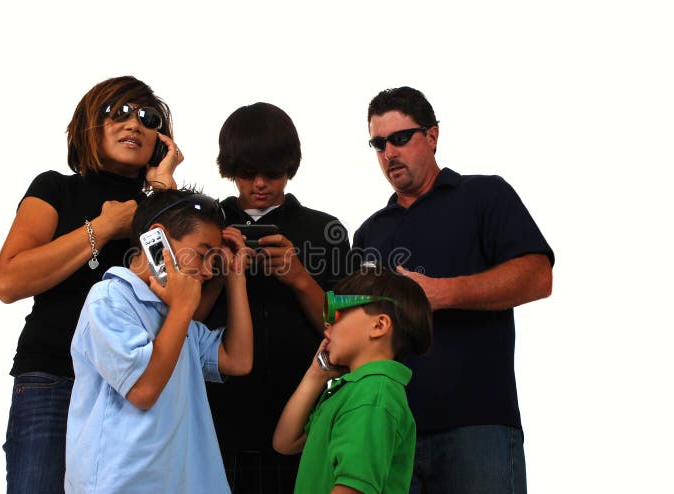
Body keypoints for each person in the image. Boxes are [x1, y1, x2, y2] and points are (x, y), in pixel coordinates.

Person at [353, 86, 555, 493]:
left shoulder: (484, 195)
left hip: (477, 426)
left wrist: (441, 293)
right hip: (390, 431)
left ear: (432, 136)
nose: (389, 152)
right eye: (378, 143)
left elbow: (537, 276)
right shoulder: (369, 232)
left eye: (400, 138)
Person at [0, 76, 183, 493]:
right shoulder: (55, 188)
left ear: (163, 140)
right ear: (88, 126)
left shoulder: (167, 204)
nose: (133, 124)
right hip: (53, 377)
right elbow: (9, 280)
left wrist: (164, 194)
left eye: (148, 119)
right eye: (117, 113)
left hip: (135, 383)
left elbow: (182, 291)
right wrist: (102, 227)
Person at [203, 102, 351, 493]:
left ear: (291, 166)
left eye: (273, 172)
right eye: (247, 173)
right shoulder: (203, 225)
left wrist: (301, 278)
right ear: (229, 167)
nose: (260, 184)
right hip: (215, 425)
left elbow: (349, 336)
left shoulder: (324, 230)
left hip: (303, 427)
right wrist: (218, 276)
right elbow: (176, 326)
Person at [65, 188, 253, 493]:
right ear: (157, 240)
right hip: (124, 484)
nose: (207, 271)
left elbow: (238, 360)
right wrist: (181, 308)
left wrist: (235, 278)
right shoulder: (111, 299)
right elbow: (143, 389)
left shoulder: (177, 318)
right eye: (203, 255)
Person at [272, 269, 433, 493]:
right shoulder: (353, 390)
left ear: (379, 326)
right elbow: (285, 443)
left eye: (336, 310)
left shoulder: (373, 395)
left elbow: (352, 487)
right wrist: (315, 375)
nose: (327, 322)